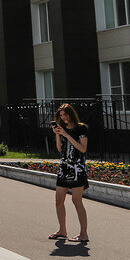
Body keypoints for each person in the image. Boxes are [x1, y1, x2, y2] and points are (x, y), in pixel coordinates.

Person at [49, 102, 89, 243]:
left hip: (77, 168)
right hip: (64, 168)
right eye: (61, 115)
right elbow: (60, 149)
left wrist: (66, 134)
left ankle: (83, 234)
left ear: (71, 113)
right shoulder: (62, 128)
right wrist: (59, 135)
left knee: (76, 201)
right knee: (59, 201)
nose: (63, 118)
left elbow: (82, 149)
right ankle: (62, 230)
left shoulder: (81, 128)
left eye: (65, 114)